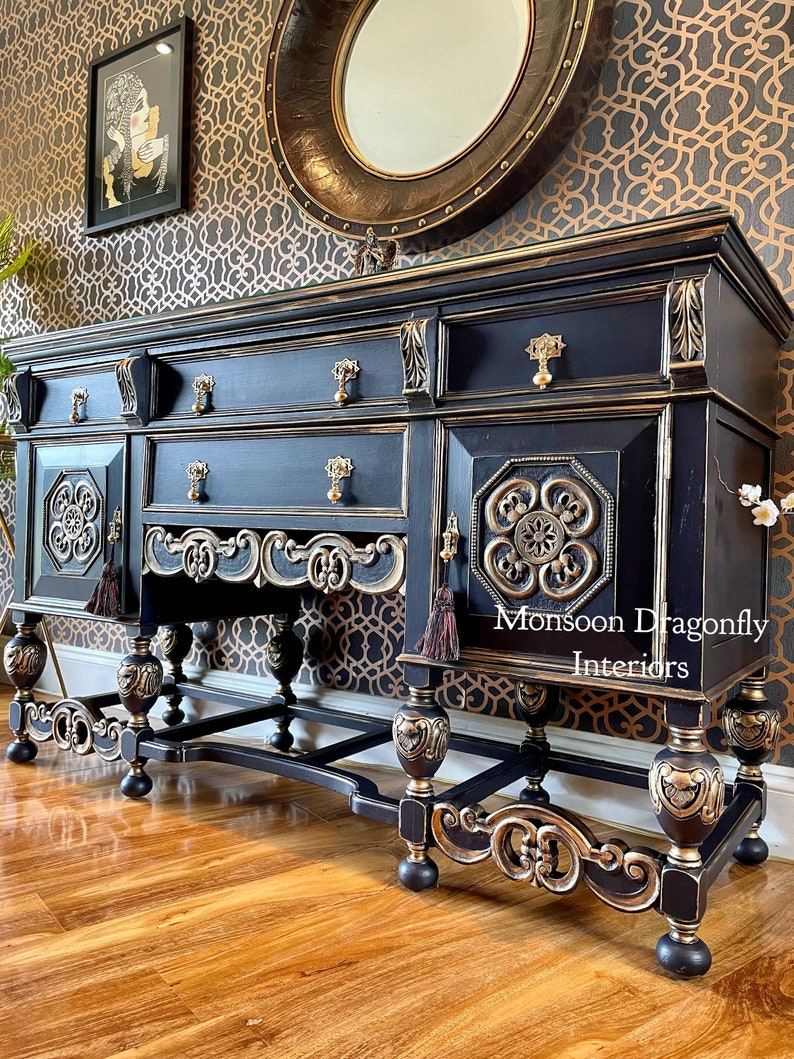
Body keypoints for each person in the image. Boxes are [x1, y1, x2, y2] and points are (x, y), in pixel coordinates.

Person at [102, 70, 169, 209]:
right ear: (122, 122)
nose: (147, 109)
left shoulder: (161, 136)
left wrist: (165, 145)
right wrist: (122, 146)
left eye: (146, 102)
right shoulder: (112, 161)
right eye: (138, 106)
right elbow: (123, 200)